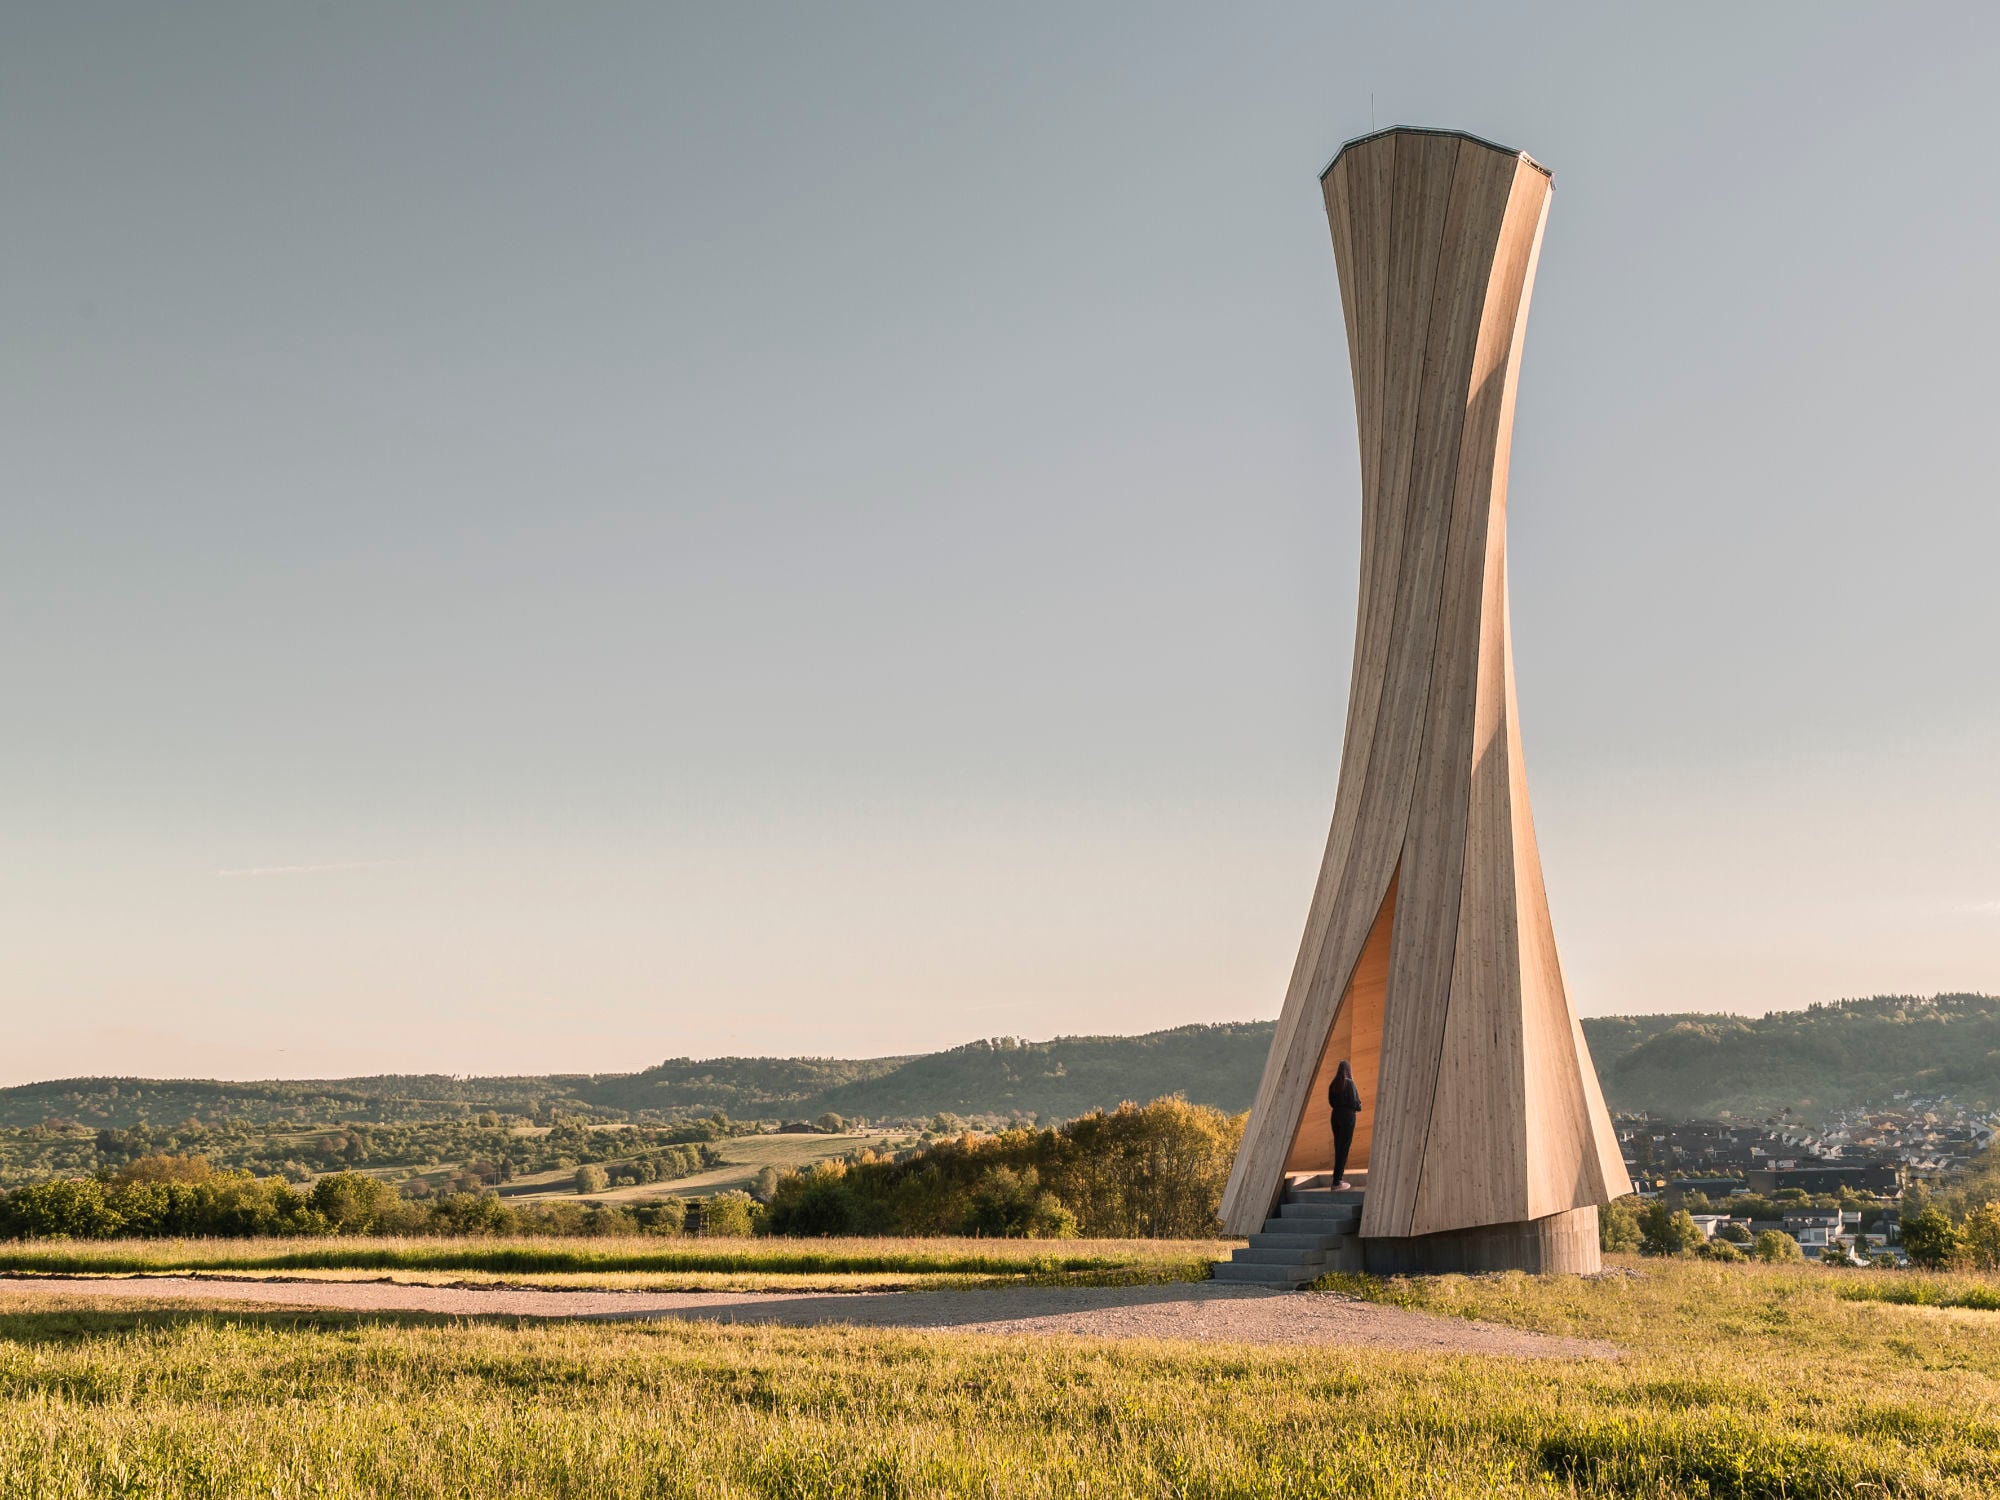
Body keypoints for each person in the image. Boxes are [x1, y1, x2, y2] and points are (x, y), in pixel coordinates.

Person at [1328, 1060, 1362, 1189]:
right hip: (1348, 1117)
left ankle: (1336, 1179)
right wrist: (1359, 1105)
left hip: (1335, 1116)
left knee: (1338, 1147)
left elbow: (1331, 1102)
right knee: (1344, 1148)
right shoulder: (1350, 1083)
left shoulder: (1333, 1084)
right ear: (1348, 1070)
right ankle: (1337, 1181)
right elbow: (1354, 1102)